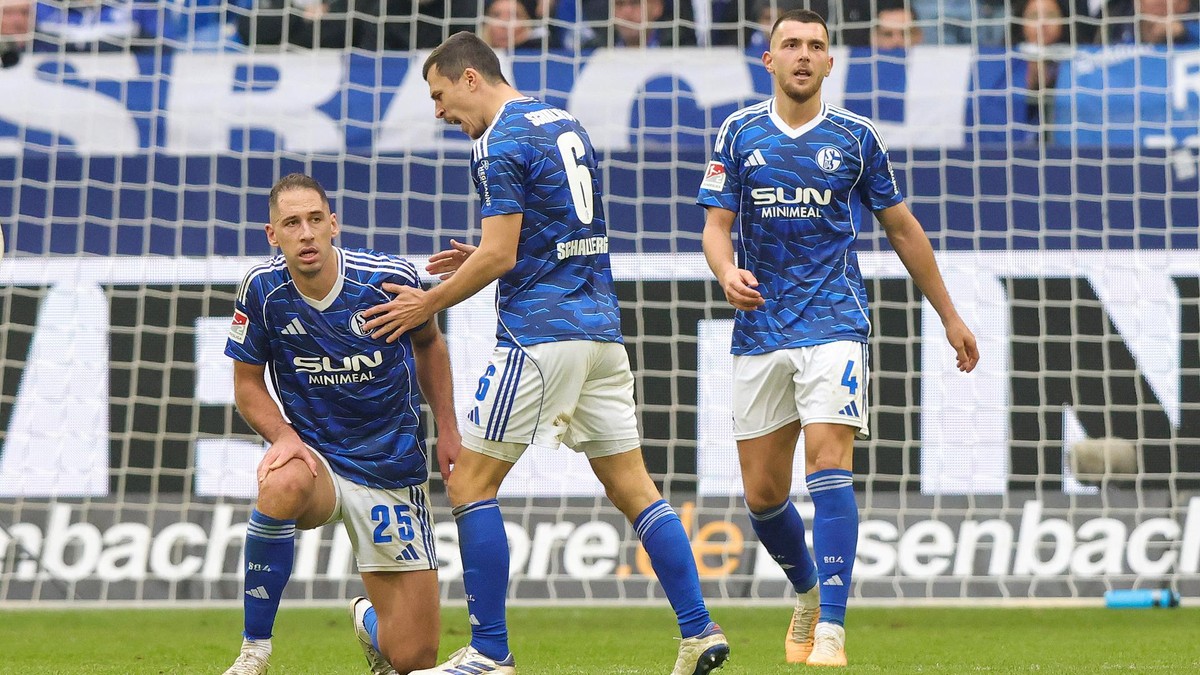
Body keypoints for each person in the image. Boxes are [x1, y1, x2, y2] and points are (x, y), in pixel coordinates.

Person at [360, 30, 729, 675]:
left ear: (470, 78)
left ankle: (490, 653)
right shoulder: (562, 118)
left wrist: (431, 300)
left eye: (441, 95)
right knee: (637, 490)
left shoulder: (497, 141)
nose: (440, 112)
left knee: (469, 482)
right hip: (601, 333)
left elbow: (503, 254)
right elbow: (547, 233)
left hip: (540, 335)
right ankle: (699, 631)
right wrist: (472, 260)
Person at [698, 8, 978, 669]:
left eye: (815, 46)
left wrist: (950, 315)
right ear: (768, 61)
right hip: (760, 325)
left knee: (829, 465)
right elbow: (715, 226)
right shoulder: (738, 132)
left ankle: (831, 627)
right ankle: (805, 590)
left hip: (835, 321)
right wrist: (723, 270)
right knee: (764, 495)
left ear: (830, 62)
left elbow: (903, 229)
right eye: (789, 44)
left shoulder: (856, 138)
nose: (802, 54)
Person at [221, 173, 460, 675]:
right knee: (279, 481)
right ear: (273, 235)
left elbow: (429, 345)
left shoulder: (387, 279)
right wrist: (285, 437)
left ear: (333, 225)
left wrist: (449, 429)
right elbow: (247, 384)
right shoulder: (262, 290)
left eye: (314, 220)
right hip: (320, 466)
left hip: (390, 468)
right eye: (291, 223)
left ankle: (369, 621)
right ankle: (254, 652)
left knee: (413, 660)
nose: (305, 234)